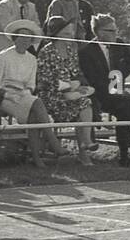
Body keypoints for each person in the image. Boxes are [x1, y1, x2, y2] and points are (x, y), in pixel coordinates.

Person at [79, 14, 130, 166]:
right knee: (126, 105)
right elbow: (93, 79)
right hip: (97, 95)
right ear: (99, 32)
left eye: (115, 30)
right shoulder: (86, 51)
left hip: (114, 90)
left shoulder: (118, 44)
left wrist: (118, 75)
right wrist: (113, 83)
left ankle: (124, 156)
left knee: (125, 109)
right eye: (111, 30)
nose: (115, 34)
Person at [0, 19, 64, 168]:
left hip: (24, 96)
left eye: (28, 38)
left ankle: (37, 159)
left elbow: (31, 84)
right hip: (5, 97)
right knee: (37, 103)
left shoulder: (32, 59)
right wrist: (9, 95)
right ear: (15, 38)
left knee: (34, 117)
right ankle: (52, 141)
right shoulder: (3, 56)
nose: (24, 41)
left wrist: (25, 94)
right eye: (21, 37)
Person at [35, 16, 95, 166]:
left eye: (71, 33)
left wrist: (80, 84)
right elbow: (45, 80)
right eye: (67, 33)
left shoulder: (71, 50)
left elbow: (76, 72)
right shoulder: (45, 52)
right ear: (58, 34)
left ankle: (85, 147)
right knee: (81, 103)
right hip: (51, 95)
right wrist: (71, 86)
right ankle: (85, 148)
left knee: (85, 102)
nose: (71, 36)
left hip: (70, 92)